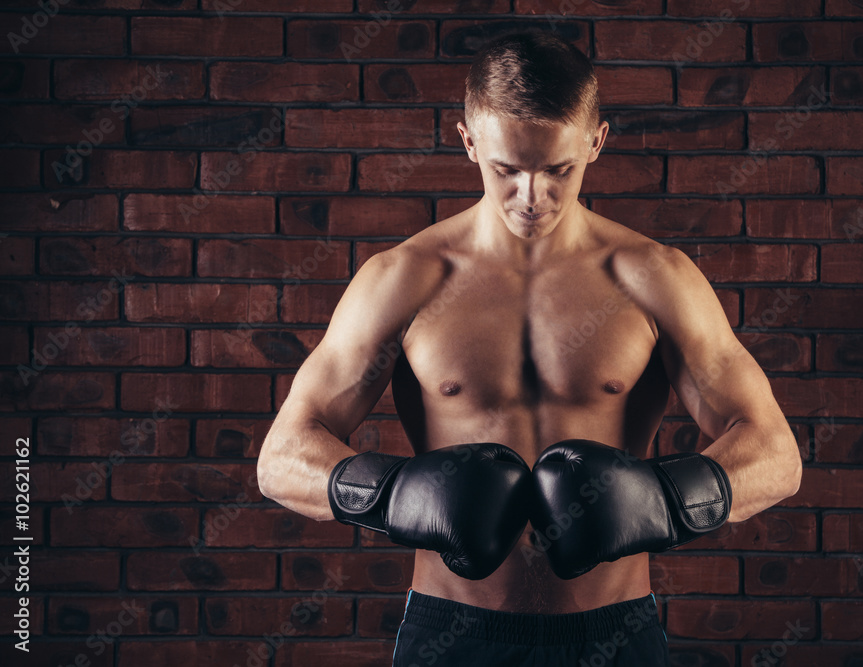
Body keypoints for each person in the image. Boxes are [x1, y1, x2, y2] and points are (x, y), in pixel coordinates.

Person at [257, 31, 802, 666]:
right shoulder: (405, 277)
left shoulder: (654, 277)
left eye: (558, 170)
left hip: (613, 634)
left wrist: (663, 503)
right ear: (468, 142)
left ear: (596, 141)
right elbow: (281, 459)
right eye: (506, 170)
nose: (532, 197)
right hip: (452, 632)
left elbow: (776, 455)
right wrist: (395, 495)